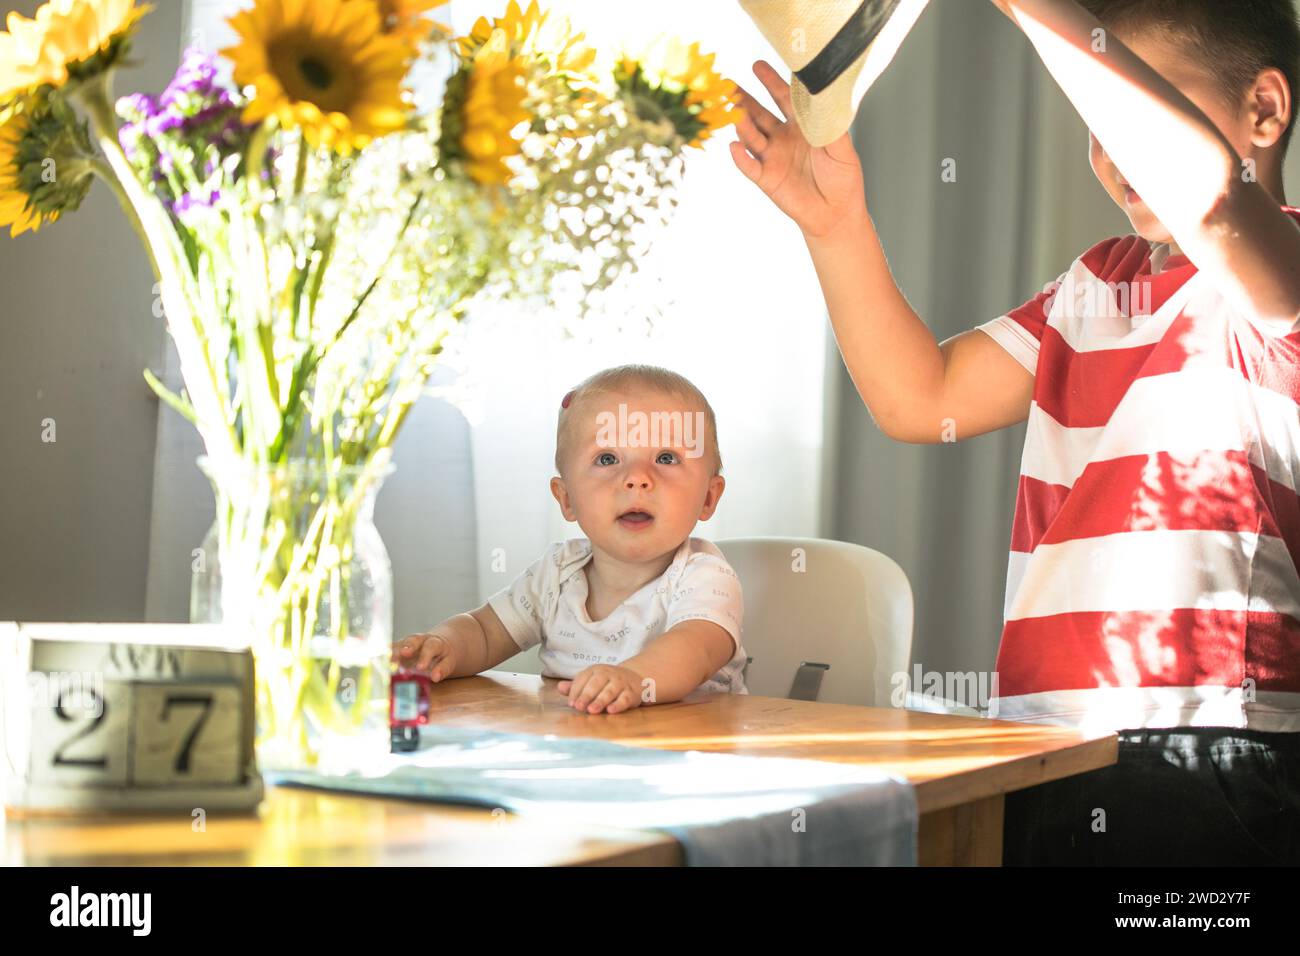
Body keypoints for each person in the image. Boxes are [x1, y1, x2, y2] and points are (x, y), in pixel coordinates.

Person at [729, 0, 1300, 864]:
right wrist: (835, 224)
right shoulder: (1094, 285)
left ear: (1263, 110)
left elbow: (1217, 204)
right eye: (1090, 123)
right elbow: (918, 397)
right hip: (1038, 739)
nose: (1107, 153)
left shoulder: (1284, 267)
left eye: (1124, 111)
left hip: (1210, 741)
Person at [394, 364, 748, 715]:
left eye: (666, 458)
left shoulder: (704, 576)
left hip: (691, 751)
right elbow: (485, 632)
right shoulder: (556, 574)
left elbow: (694, 650)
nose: (637, 478)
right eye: (607, 458)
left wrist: (633, 679)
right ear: (566, 499)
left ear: (708, 497)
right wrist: (444, 647)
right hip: (582, 747)